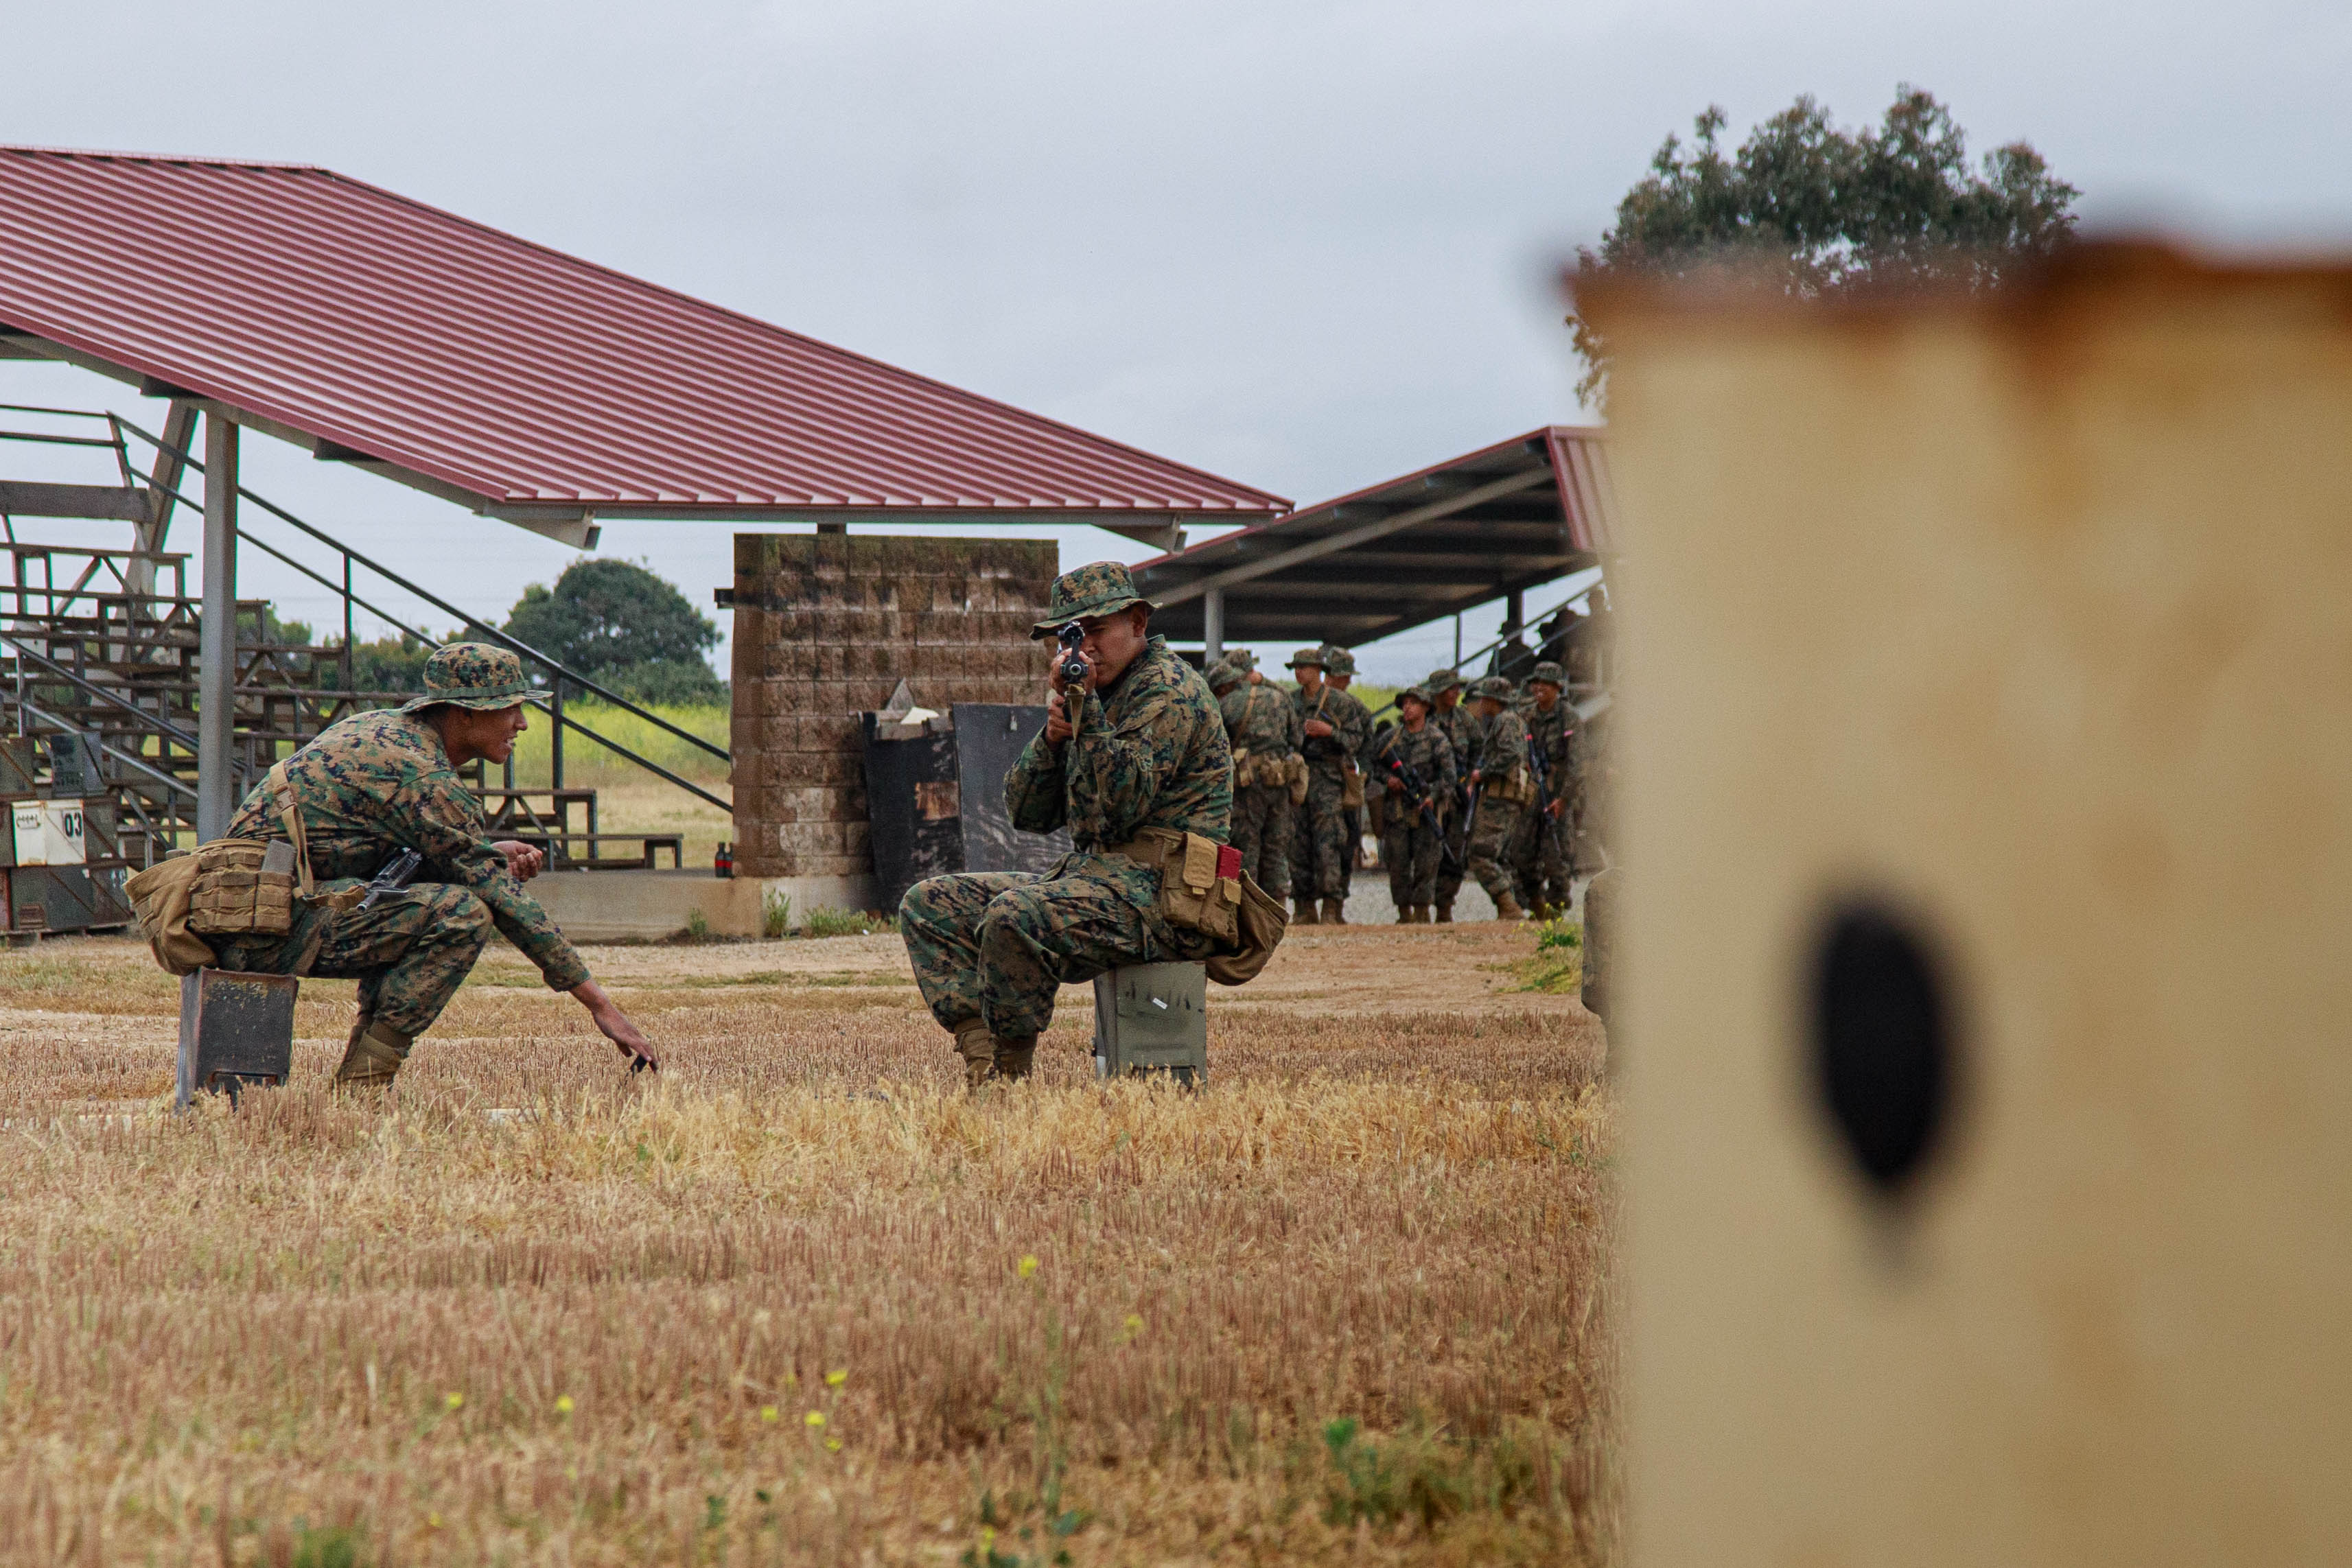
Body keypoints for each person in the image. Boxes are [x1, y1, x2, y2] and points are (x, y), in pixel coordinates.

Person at [210, 643, 658, 1090]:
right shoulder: (423, 775)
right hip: (256, 923)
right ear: (464, 713)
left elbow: (383, 856)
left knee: (417, 903)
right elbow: (507, 903)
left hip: (239, 910)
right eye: (510, 708)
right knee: (462, 913)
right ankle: (362, 1088)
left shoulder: (382, 731)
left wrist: (482, 853)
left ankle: (356, 1088)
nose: (521, 722)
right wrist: (600, 1004)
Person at [898, 563, 1232, 1088]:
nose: (1083, 649)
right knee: (929, 905)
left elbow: (1123, 803)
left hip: (1166, 899)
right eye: (1067, 638)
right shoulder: (1095, 695)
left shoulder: (1169, 691)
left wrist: (1088, 713)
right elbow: (1027, 814)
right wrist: (1052, 739)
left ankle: (1009, 1076)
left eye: (1095, 630)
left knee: (1014, 914)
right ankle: (983, 1060)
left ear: (1138, 621)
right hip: (1102, 882)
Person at [1215, 651, 1301, 901]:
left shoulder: (1228, 703)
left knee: (1244, 845)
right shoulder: (1280, 697)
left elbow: (1218, 745)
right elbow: (1297, 739)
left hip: (1246, 784)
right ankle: (1277, 907)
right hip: (1278, 780)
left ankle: (1242, 905)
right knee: (1276, 845)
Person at [1375, 686, 1456, 923]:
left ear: (1425, 707)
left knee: (1427, 861)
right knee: (1397, 861)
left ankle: (1422, 911)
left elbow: (1449, 775)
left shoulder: (1437, 739)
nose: (1408, 708)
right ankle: (1403, 912)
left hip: (1425, 810)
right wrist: (1388, 780)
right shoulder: (1390, 739)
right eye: (1405, 703)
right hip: (1397, 810)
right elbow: (1373, 766)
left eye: (1414, 703)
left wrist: (1433, 795)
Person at [1285, 648, 1353, 926]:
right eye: (1296, 667)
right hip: (1300, 777)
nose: (1299, 672)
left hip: (1328, 778)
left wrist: (1330, 733)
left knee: (1329, 843)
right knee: (1297, 842)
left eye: (1304, 667)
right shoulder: (1290, 701)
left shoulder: (1339, 702)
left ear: (1318, 669)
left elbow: (1358, 740)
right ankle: (1304, 906)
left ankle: (1331, 907)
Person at [1461, 675, 1537, 920]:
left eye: (1485, 698)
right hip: (1502, 797)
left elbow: (1510, 755)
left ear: (1495, 700)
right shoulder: (1508, 721)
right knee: (1499, 856)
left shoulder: (1506, 720)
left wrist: (1482, 773)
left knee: (1481, 854)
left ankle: (1509, 907)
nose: (1481, 702)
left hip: (1500, 800)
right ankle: (1512, 907)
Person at [1511, 660, 1575, 919]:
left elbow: (1577, 763)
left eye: (1546, 684)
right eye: (1536, 683)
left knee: (1557, 855)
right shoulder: (1526, 716)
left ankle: (1556, 910)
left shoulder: (1568, 717)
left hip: (1558, 792)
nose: (1539, 688)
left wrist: (1564, 798)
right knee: (1521, 852)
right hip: (1531, 792)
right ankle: (1537, 904)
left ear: (1558, 687)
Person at [1318, 646, 1374, 907]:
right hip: (1314, 781)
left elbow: (1367, 748)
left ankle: (1336, 902)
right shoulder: (1310, 702)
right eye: (1343, 676)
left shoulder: (1356, 708)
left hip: (1345, 783)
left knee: (1346, 840)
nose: (1347, 681)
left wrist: (1360, 776)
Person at [1425, 668, 1476, 922]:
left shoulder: (1464, 719)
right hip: (1430, 796)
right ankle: (1422, 905)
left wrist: (1472, 780)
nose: (1456, 693)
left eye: (1458, 689)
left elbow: (1479, 749)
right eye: (1450, 689)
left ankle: (1445, 907)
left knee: (1455, 850)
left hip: (1458, 797)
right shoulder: (1425, 719)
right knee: (1429, 851)